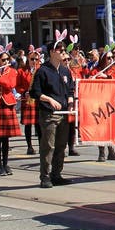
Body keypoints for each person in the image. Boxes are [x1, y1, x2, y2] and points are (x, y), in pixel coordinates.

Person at [30, 42, 75, 188]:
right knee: (48, 145)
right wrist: (49, 99)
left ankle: (57, 174)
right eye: (60, 50)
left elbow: (70, 90)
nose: (63, 52)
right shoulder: (43, 71)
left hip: (63, 113)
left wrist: (70, 101)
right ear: (51, 52)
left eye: (64, 50)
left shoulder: (65, 70)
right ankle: (45, 176)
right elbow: (35, 92)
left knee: (61, 145)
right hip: (49, 113)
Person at [18, 51, 41, 155]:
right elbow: (17, 85)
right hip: (27, 99)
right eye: (32, 59)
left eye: (36, 59)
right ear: (28, 59)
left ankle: (41, 146)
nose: (34, 61)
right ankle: (29, 146)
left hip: (39, 99)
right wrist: (23, 92)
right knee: (28, 124)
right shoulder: (22, 71)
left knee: (39, 124)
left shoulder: (41, 70)